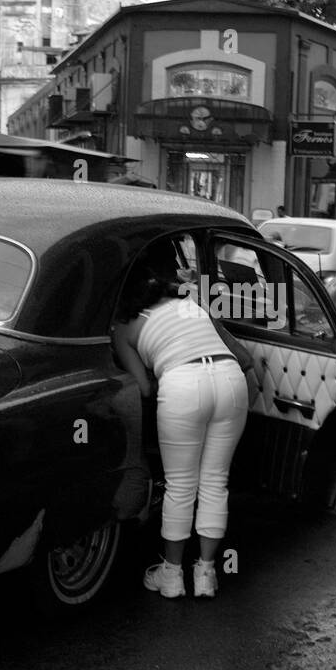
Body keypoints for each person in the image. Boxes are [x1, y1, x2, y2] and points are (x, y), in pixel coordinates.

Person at [111, 249, 252, 599]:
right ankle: (205, 574)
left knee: (180, 485)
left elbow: (142, 387)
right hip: (229, 377)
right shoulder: (189, 301)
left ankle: (171, 575)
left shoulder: (122, 328)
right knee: (215, 482)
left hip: (182, 384)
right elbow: (238, 353)